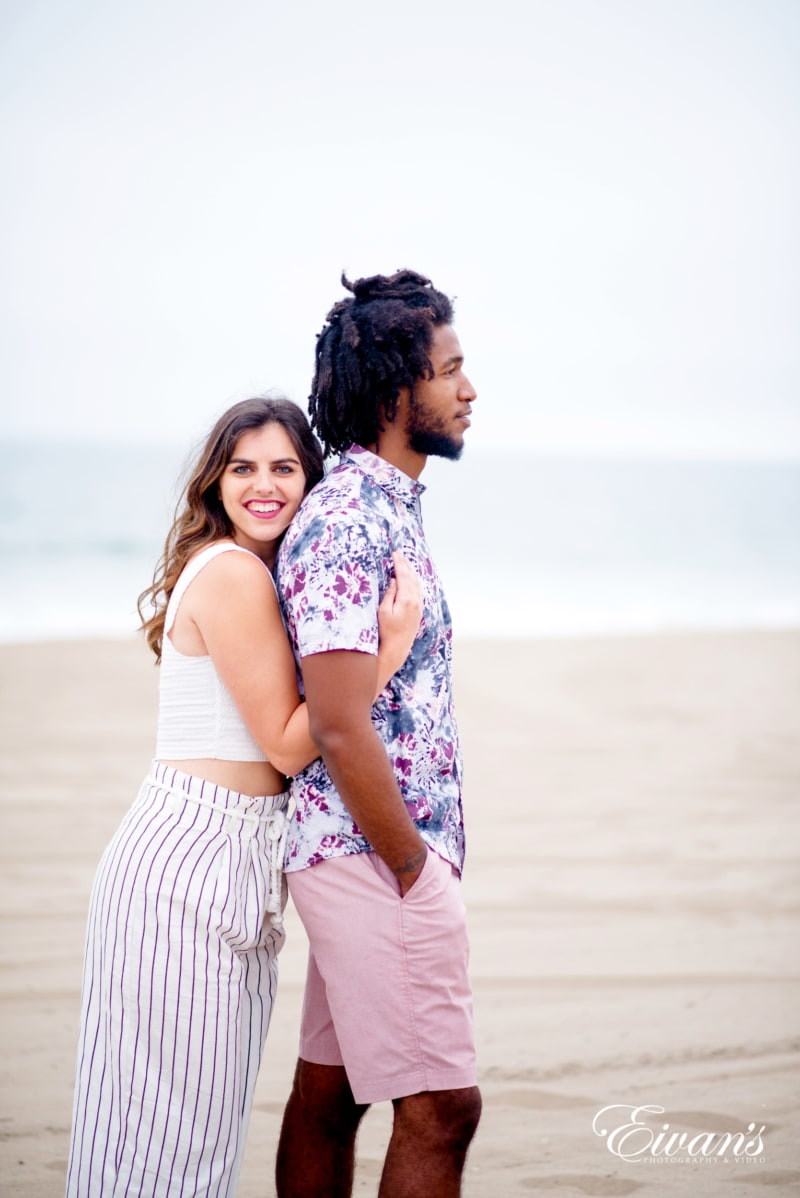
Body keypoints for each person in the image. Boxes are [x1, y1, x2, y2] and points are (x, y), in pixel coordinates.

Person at [65, 396, 421, 1198]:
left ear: (310, 478)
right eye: (243, 468)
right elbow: (292, 743)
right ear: (216, 483)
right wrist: (389, 648)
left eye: (284, 468)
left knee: (185, 1130)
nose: (264, 486)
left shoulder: (256, 571)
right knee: (166, 1141)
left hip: (229, 855)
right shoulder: (231, 574)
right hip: (187, 860)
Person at [275, 270, 482, 1198]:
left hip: (365, 850)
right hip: (370, 854)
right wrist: (409, 867)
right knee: (443, 1107)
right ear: (400, 392)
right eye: (451, 371)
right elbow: (338, 720)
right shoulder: (348, 519)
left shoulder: (387, 505)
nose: (469, 390)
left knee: (335, 1091)